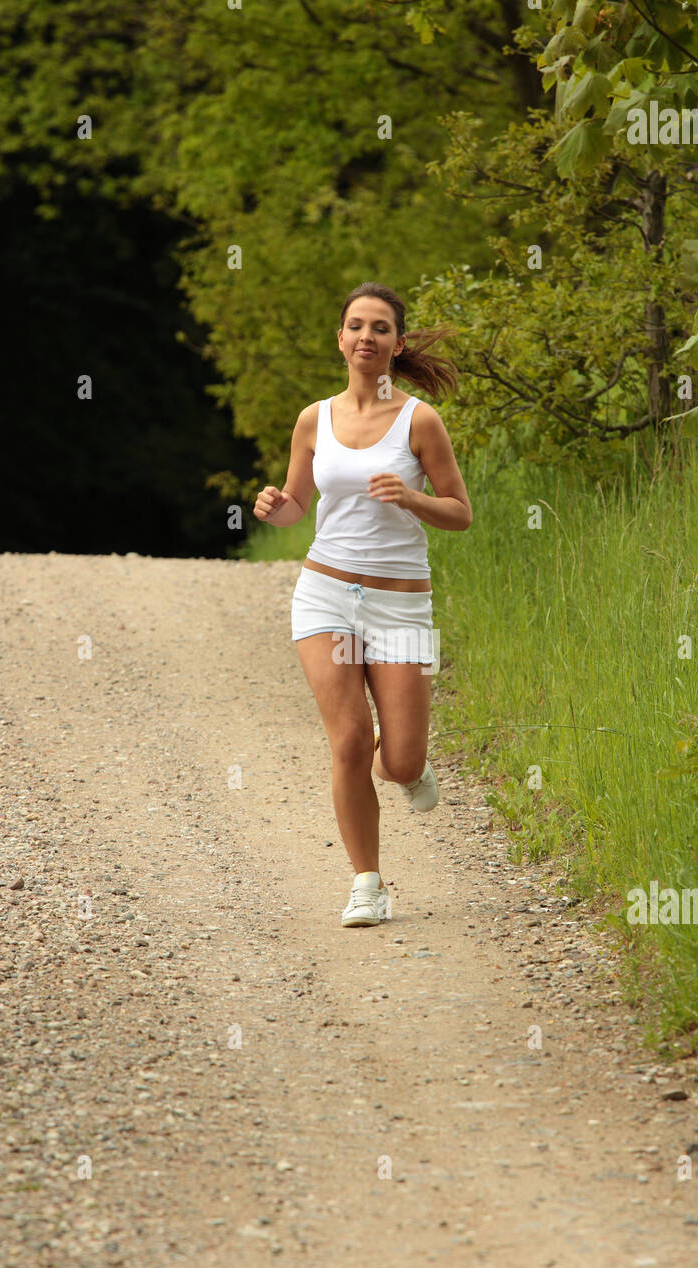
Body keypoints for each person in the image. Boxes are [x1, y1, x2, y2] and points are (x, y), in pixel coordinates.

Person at [253, 281, 472, 927]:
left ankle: (408, 769)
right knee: (349, 741)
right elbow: (297, 504)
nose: (366, 337)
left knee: (399, 758)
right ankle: (367, 885)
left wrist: (412, 499)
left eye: (380, 328)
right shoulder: (313, 419)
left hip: (399, 605)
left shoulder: (419, 421)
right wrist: (275, 507)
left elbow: (459, 513)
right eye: (356, 326)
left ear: (397, 344)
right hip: (325, 593)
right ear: (341, 338)